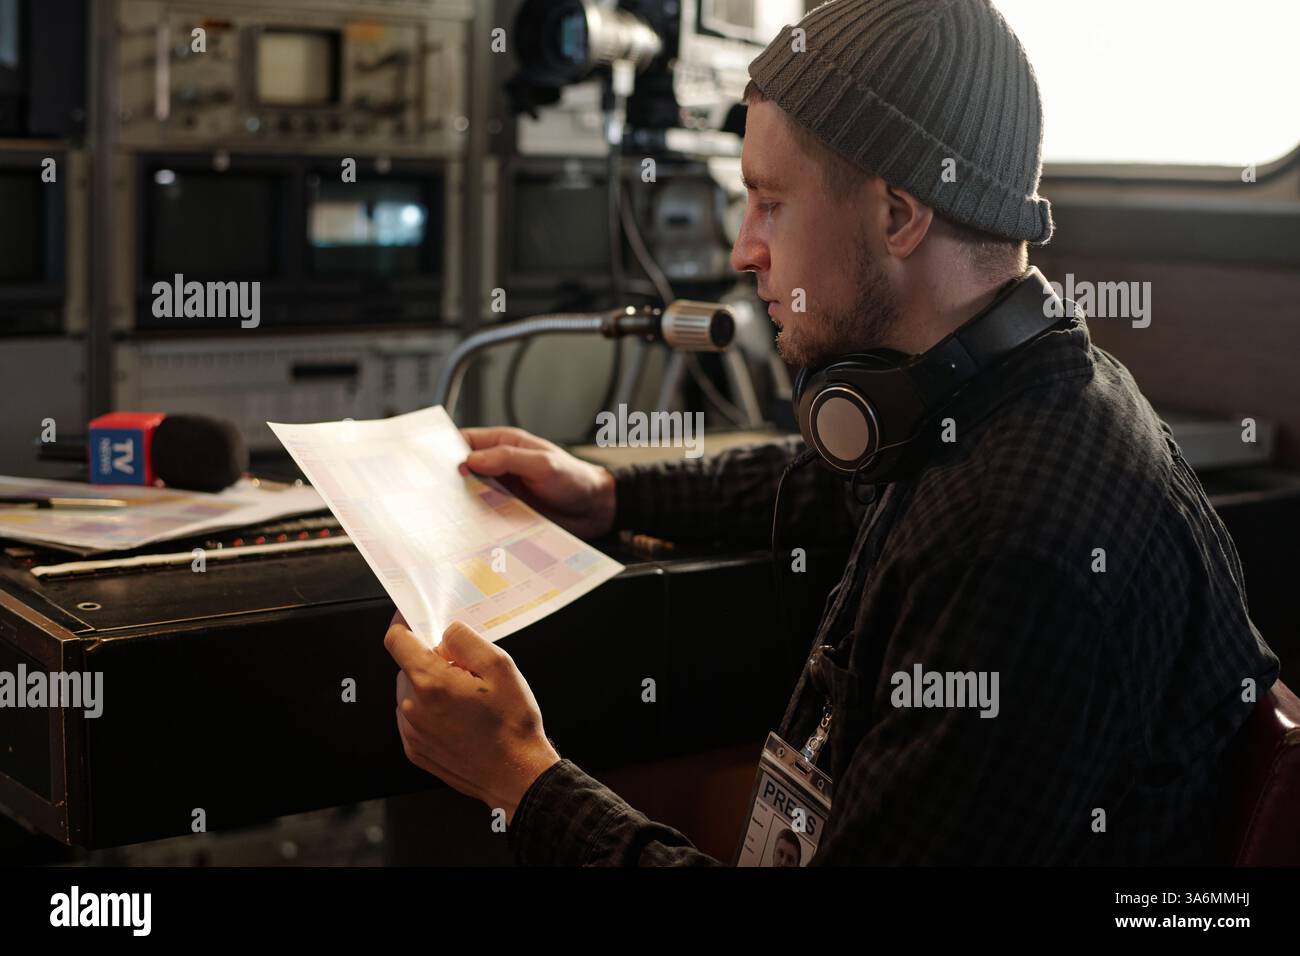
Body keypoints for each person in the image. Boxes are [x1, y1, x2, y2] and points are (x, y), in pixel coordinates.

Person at [383, 0, 1279, 865]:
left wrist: (523, 781)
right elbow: (832, 479)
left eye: (770, 202)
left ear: (898, 215)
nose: (744, 248)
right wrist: (613, 492)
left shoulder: (1012, 552)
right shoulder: (1013, 392)